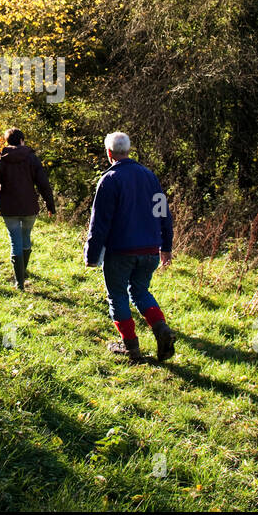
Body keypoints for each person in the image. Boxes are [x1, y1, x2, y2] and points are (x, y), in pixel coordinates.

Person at [84, 132, 176, 363]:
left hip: (120, 252)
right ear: (128, 151)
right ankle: (161, 329)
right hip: (150, 251)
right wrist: (166, 247)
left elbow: (99, 222)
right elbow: (163, 213)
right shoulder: (149, 176)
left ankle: (131, 348)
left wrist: (92, 255)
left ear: (109, 153)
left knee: (117, 296)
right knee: (140, 292)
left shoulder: (109, 179)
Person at [0, 128, 55, 291]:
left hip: (8, 208)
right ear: (22, 140)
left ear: (7, 142)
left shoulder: (1, 159)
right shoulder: (31, 158)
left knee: (15, 241)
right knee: (25, 238)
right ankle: (21, 275)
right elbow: (43, 183)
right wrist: (50, 205)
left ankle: (20, 282)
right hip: (29, 206)